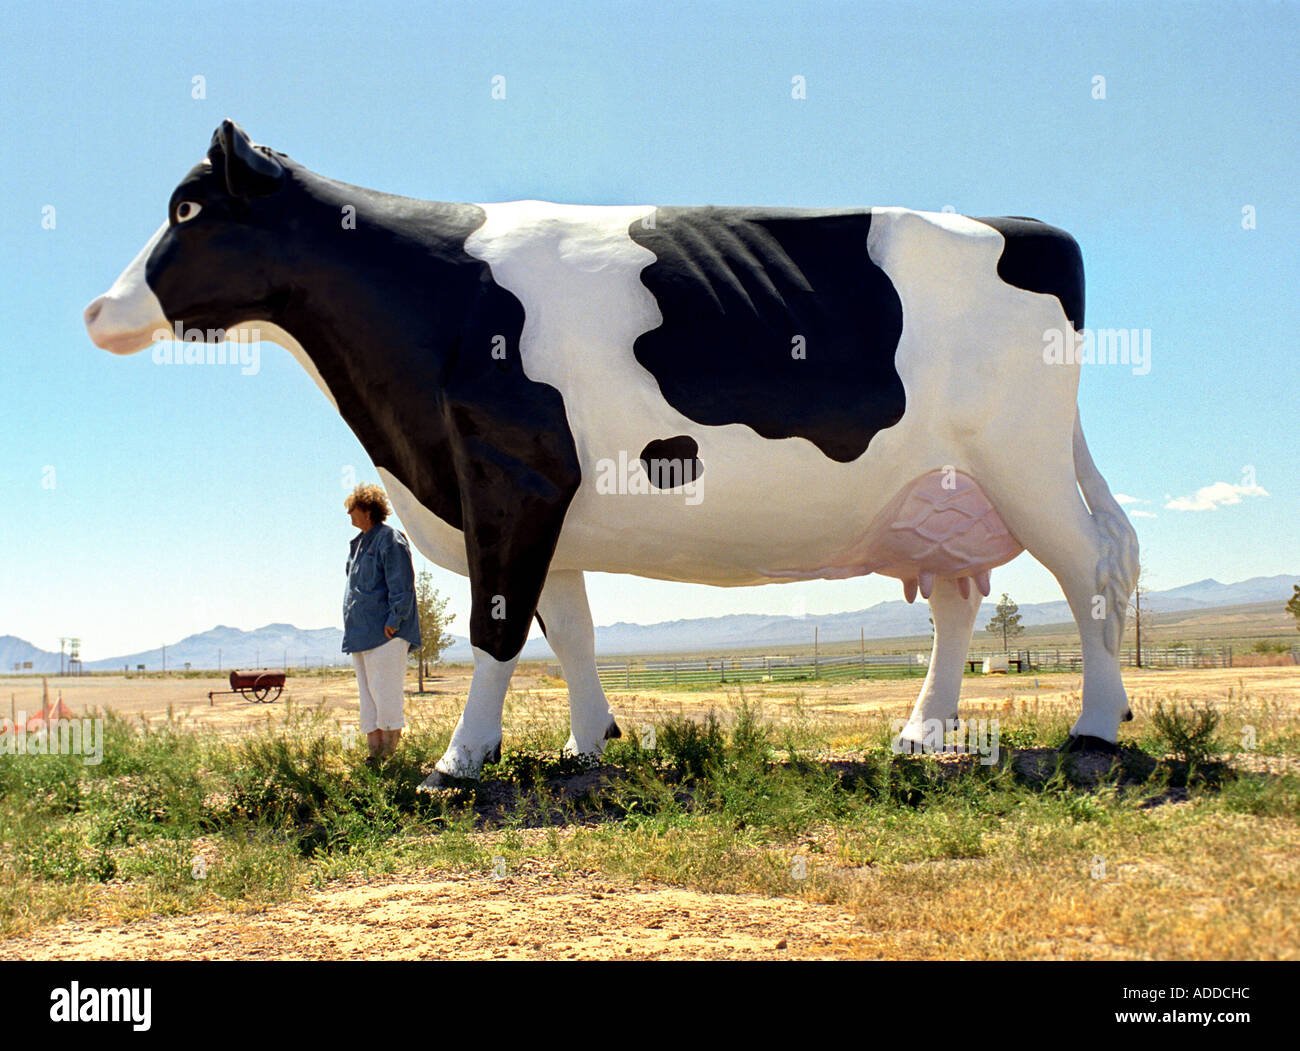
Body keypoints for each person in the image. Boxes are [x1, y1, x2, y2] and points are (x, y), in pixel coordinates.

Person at [342, 483, 421, 762]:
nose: (349, 515)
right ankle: (375, 756)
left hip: (385, 632)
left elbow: (402, 584)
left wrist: (395, 620)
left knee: (385, 693)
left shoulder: (390, 539)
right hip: (361, 633)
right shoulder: (358, 544)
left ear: (367, 509)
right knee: (368, 696)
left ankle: (391, 758)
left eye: (352, 509)